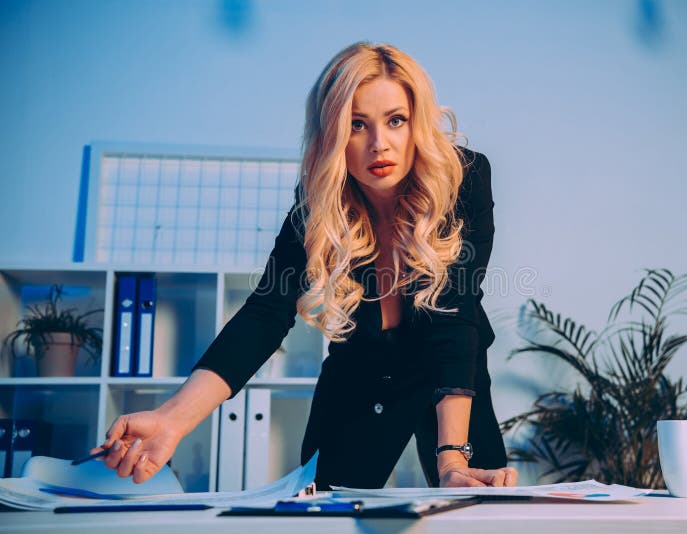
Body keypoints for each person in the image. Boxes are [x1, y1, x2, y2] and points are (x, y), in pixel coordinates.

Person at [94, 42, 518, 489]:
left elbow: (454, 311)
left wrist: (452, 459)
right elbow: (266, 311)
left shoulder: (461, 179)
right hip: (359, 376)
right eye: (356, 125)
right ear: (332, 134)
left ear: (417, 121)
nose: (379, 144)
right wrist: (172, 420)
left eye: (396, 120)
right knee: (322, 513)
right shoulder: (320, 201)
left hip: (451, 374)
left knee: (474, 505)